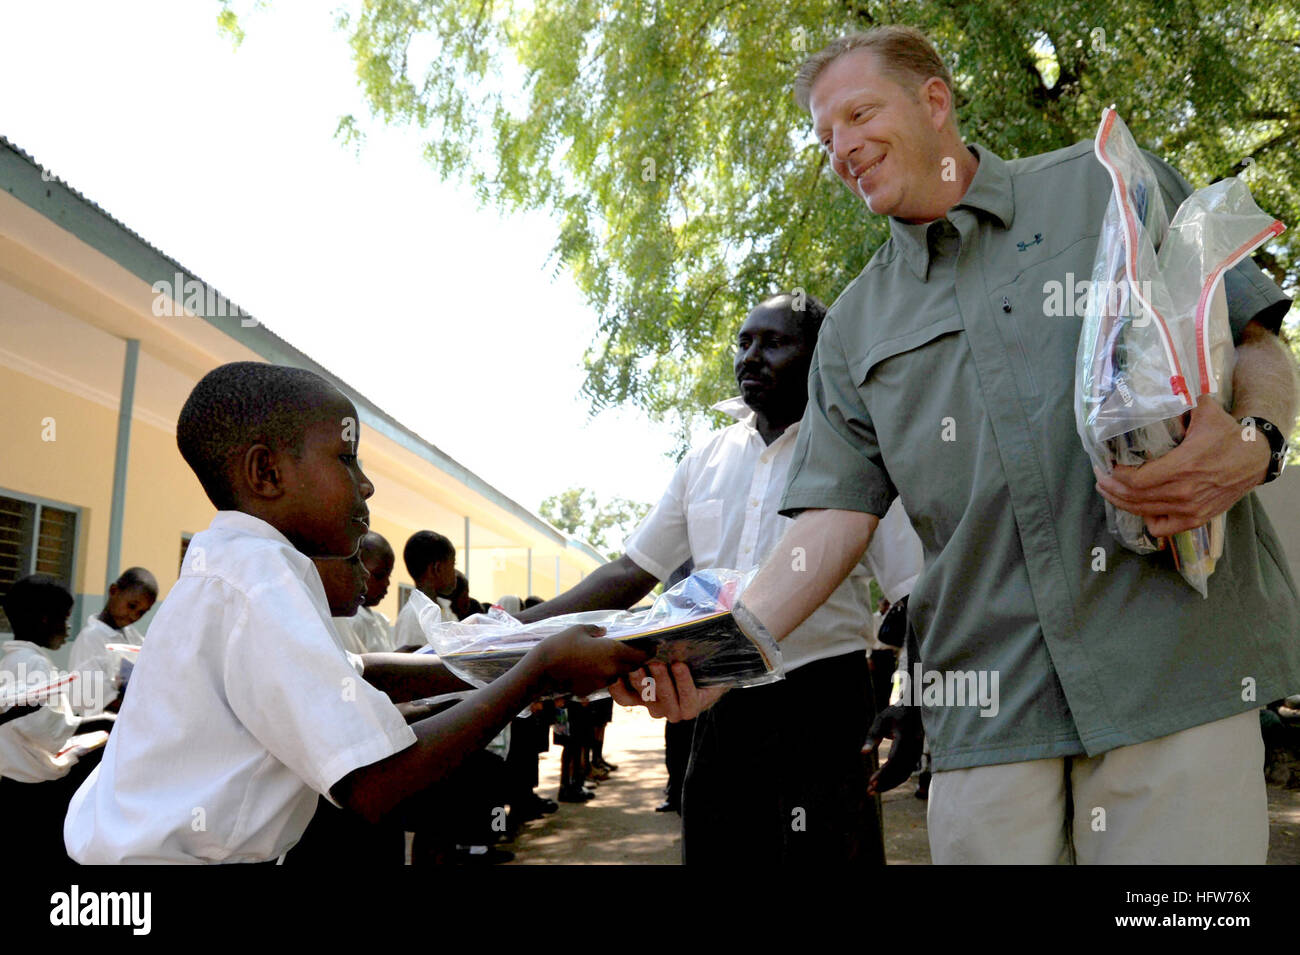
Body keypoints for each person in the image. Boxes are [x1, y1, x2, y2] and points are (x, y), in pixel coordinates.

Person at [630, 26, 1300, 864]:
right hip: (989, 713)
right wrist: (719, 656)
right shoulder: (854, 328)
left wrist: (1255, 441)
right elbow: (827, 528)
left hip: (1172, 671)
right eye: (824, 135)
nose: (840, 148)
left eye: (858, 113)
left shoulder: (1103, 186)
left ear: (935, 100)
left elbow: (1255, 336)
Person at [62, 361, 646, 864]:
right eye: (346, 459)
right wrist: (536, 672)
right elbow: (373, 783)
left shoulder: (236, 562)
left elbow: (361, 673)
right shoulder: (259, 581)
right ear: (267, 473)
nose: (366, 485)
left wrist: (508, 655)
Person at [522, 292, 914, 864]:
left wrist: (915, 697)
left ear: (822, 354)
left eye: (774, 342)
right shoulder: (704, 458)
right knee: (716, 847)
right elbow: (632, 571)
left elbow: (913, 592)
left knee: (832, 852)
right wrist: (514, 631)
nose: (750, 356)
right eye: (744, 341)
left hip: (824, 703)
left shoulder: (857, 454)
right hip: (719, 700)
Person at [0, 574, 92, 859]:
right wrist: (84, 729)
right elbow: (51, 736)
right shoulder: (35, 665)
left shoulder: (11, 660)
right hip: (31, 792)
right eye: (64, 619)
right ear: (44, 619)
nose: (66, 629)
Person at [67, 567, 158, 716]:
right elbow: (93, 699)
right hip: (99, 726)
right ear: (114, 591)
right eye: (132, 606)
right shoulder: (91, 639)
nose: (134, 616)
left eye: (141, 612)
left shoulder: (134, 638)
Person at [393, 530, 458, 649]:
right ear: (437, 569)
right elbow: (410, 664)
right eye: (453, 565)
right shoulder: (413, 616)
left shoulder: (443, 609)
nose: (455, 574)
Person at [346, 531, 397, 652]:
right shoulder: (350, 621)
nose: (387, 583)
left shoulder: (380, 621)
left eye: (388, 576)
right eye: (379, 576)